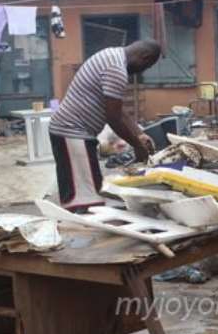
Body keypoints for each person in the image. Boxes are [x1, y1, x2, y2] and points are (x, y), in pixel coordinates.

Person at [48, 40, 161, 211]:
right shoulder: (116, 69)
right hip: (72, 131)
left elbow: (117, 108)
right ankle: (79, 234)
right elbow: (113, 117)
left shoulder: (111, 54)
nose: (143, 71)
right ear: (144, 58)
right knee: (84, 199)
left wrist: (140, 134)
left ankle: (81, 228)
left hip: (75, 132)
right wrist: (137, 146)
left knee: (89, 190)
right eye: (147, 66)